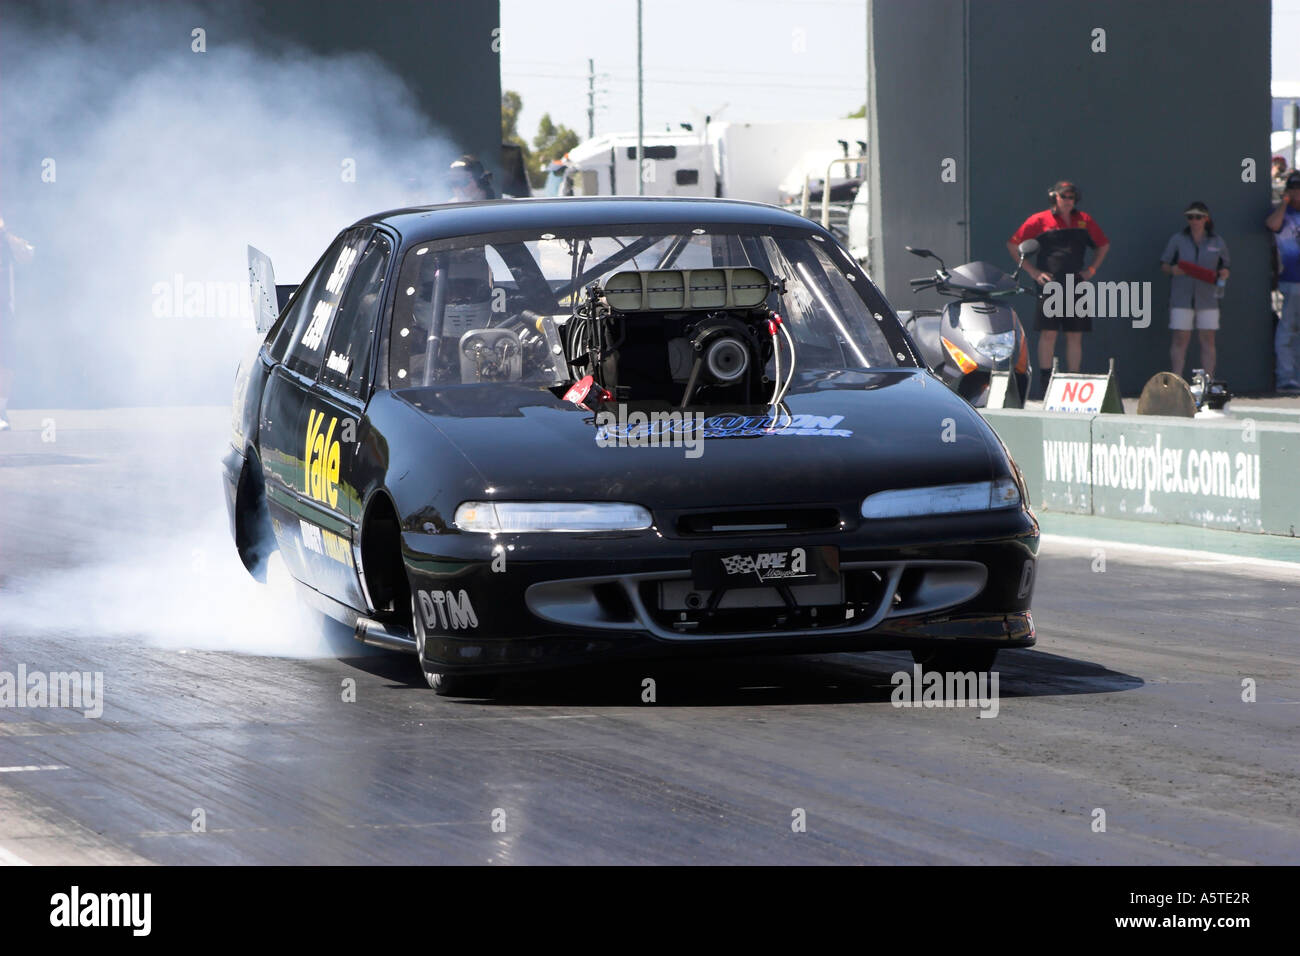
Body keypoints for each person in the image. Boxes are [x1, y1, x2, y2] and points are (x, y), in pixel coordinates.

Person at [1007, 180, 1110, 398]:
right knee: (1049, 333)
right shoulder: (1039, 220)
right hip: (1050, 283)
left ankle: (1073, 382)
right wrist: (1033, 272)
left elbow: (1103, 244)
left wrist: (1091, 269)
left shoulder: (1084, 220)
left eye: (1071, 197)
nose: (1067, 201)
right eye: (1063, 197)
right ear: (1054, 198)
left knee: (1075, 335)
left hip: (1076, 282)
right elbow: (1014, 244)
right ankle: (1046, 384)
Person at [1160, 201, 1229, 380]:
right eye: (1190, 217)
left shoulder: (1217, 241)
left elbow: (1225, 265)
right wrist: (1173, 270)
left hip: (1208, 298)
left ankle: (1209, 381)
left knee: (1208, 339)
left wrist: (1224, 273)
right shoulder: (1178, 239)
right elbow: (1164, 264)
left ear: (1206, 219)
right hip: (1181, 297)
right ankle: (1176, 380)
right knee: (1180, 338)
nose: (1194, 221)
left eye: (1198, 217)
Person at [0, 214, 35, 431]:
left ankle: (0, 410)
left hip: (3, 309)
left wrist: (4, 234)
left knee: (4, 361)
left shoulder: (6, 241)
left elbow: (27, 255)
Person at [1267, 171, 1300, 392]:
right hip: (1292, 280)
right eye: (1294, 189)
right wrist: (1284, 201)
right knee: (1288, 329)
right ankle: (1286, 378)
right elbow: (1272, 224)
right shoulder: (1283, 213)